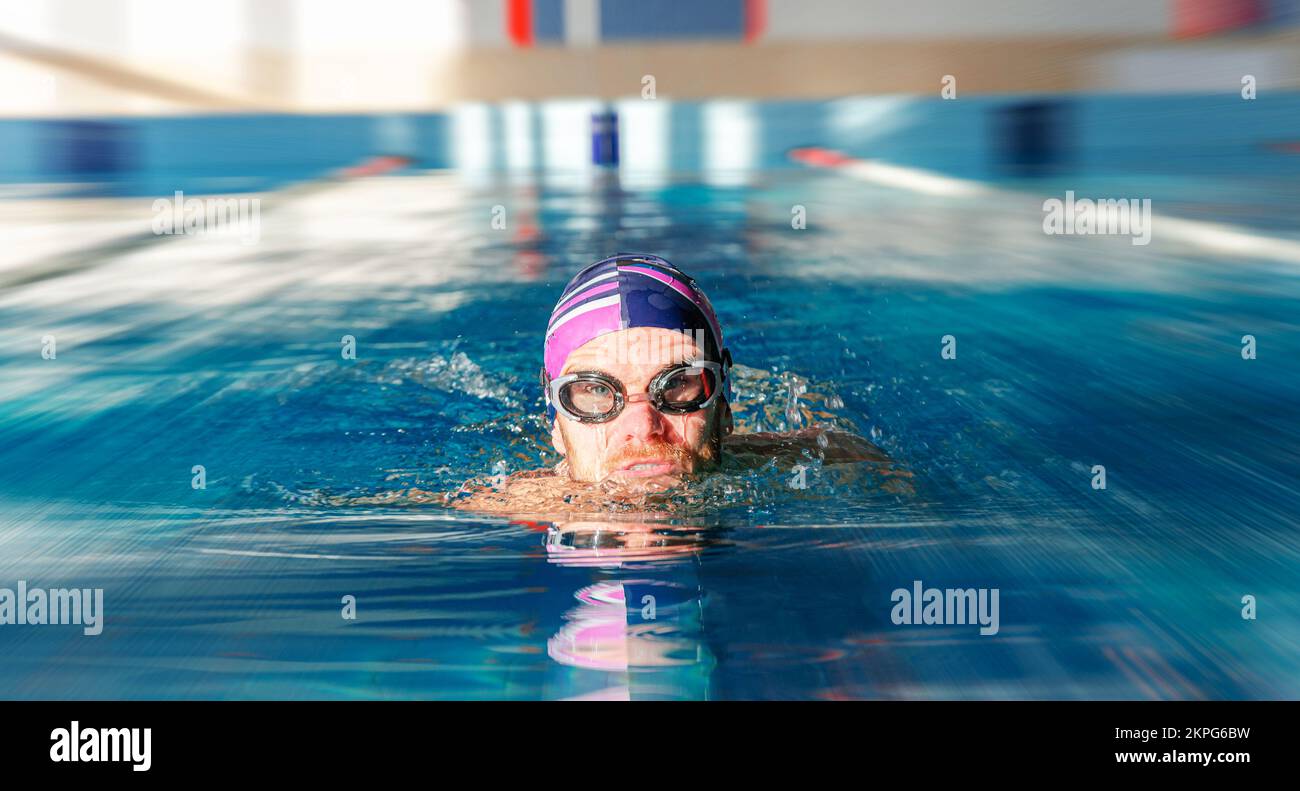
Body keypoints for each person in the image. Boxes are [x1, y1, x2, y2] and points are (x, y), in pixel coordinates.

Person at [448, 253, 893, 512]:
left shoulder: (830, 461)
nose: (642, 427)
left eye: (677, 385)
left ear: (724, 408)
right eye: (595, 392)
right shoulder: (499, 507)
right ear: (556, 425)